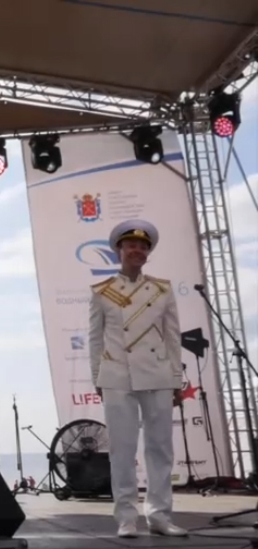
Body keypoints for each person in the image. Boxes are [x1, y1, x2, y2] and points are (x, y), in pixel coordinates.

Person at [88, 219, 187, 538]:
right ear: (119, 249)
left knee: (160, 449)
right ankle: (126, 517)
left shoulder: (162, 289)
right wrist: (97, 378)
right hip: (117, 375)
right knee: (122, 450)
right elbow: (95, 340)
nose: (138, 250)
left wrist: (176, 379)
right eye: (131, 245)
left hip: (157, 373)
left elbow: (172, 337)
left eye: (143, 247)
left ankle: (159, 515)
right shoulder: (102, 292)